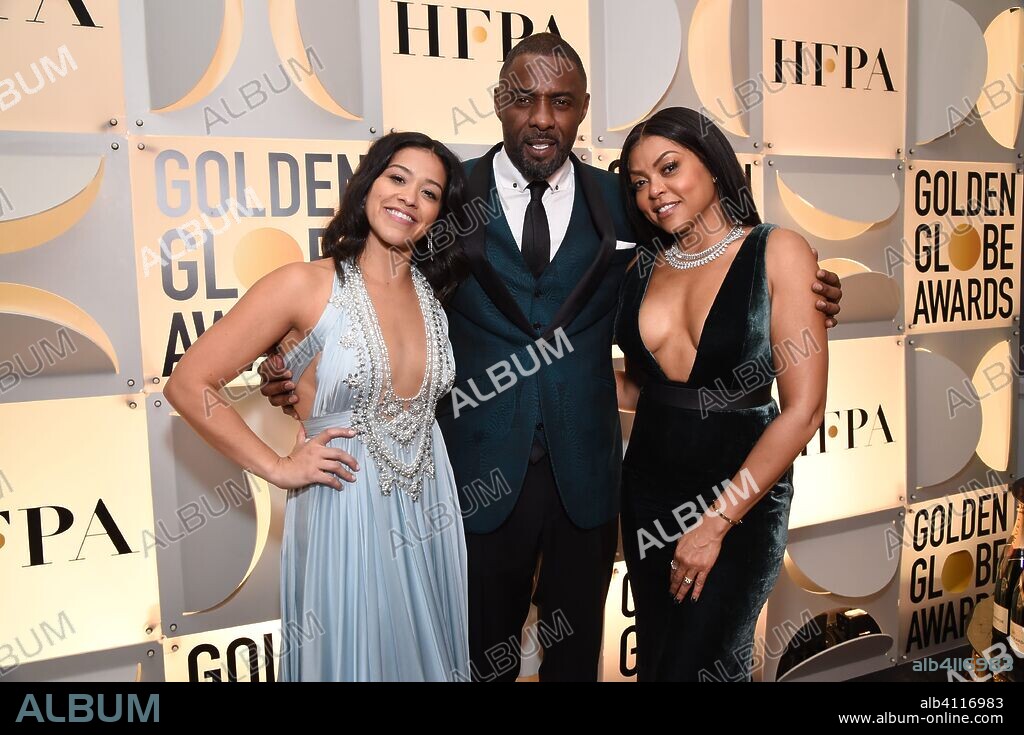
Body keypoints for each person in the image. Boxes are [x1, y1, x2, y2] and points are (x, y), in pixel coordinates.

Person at [260, 34, 843, 682]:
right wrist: (299, 353)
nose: (542, 117)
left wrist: (802, 294)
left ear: (583, 108)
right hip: (474, 473)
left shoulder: (624, 197)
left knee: (579, 660)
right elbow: (374, 285)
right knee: (479, 661)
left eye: (561, 101)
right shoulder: (445, 194)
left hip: (590, 478)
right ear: (498, 101)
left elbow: (716, 270)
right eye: (524, 98)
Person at [164, 132, 471, 681]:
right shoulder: (302, 284)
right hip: (343, 503)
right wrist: (278, 467)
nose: (409, 198)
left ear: (438, 216)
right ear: (368, 185)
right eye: (397, 178)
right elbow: (189, 383)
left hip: (430, 504)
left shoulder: (433, 295)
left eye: (429, 192)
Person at [614, 107, 829, 681]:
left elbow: (805, 411)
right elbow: (641, 389)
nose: (654, 192)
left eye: (669, 168)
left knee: (708, 661)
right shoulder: (641, 268)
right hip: (649, 495)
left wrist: (715, 524)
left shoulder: (777, 251)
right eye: (639, 182)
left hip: (740, 499)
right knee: (661, 660)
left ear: (712, 164)